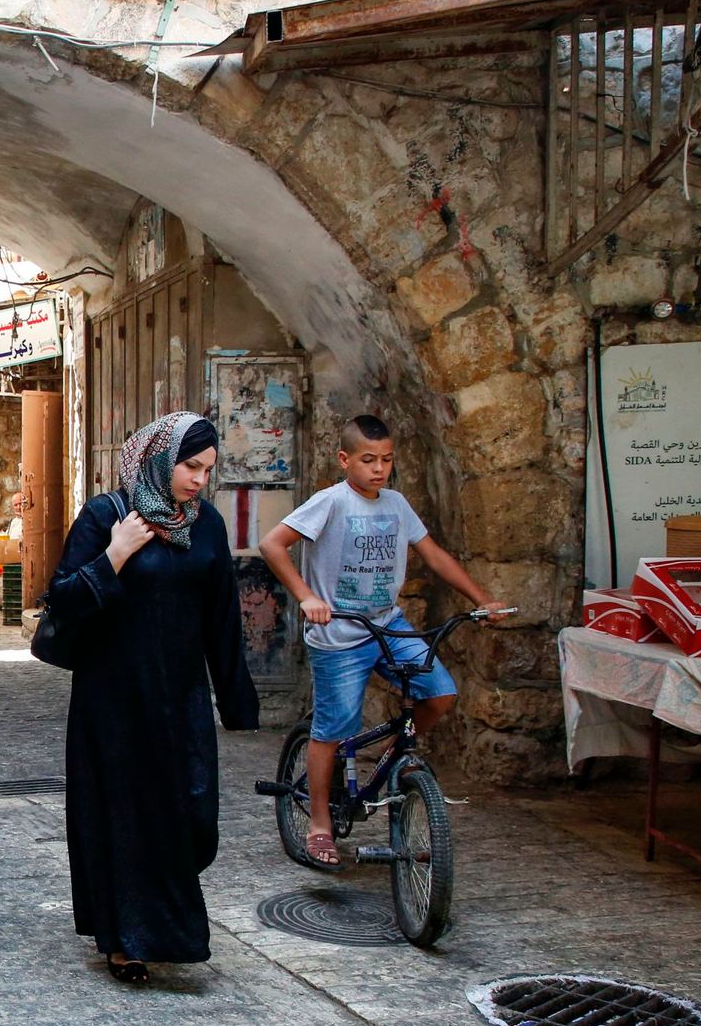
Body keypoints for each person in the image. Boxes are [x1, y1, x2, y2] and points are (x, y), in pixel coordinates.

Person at [46, 411, 259, 983]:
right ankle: (126, 941)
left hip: (180, 697)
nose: (197, 480)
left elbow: (223, 621)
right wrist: (114, 555)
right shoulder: (105, 516)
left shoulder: (207, 525)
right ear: (160, 457)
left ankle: (153, 924)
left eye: (207, 470)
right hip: (111, 699)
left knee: (191, 815)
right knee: (122, 817)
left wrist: (237, 703)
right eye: (190, 466)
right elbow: (62, 600)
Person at [258, 414, 505, 870]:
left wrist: (481, 600)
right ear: (345, 459)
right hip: (339, 636)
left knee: (441, 693)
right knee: (333, 729)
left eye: (386, 460)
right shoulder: (329, 503)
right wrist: (307, 597)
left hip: (388, 625)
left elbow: (432, 555)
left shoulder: (395, 504)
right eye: (368, 459)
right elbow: (273, 544)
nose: (378, 469)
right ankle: (318, 825)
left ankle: (393, 755)